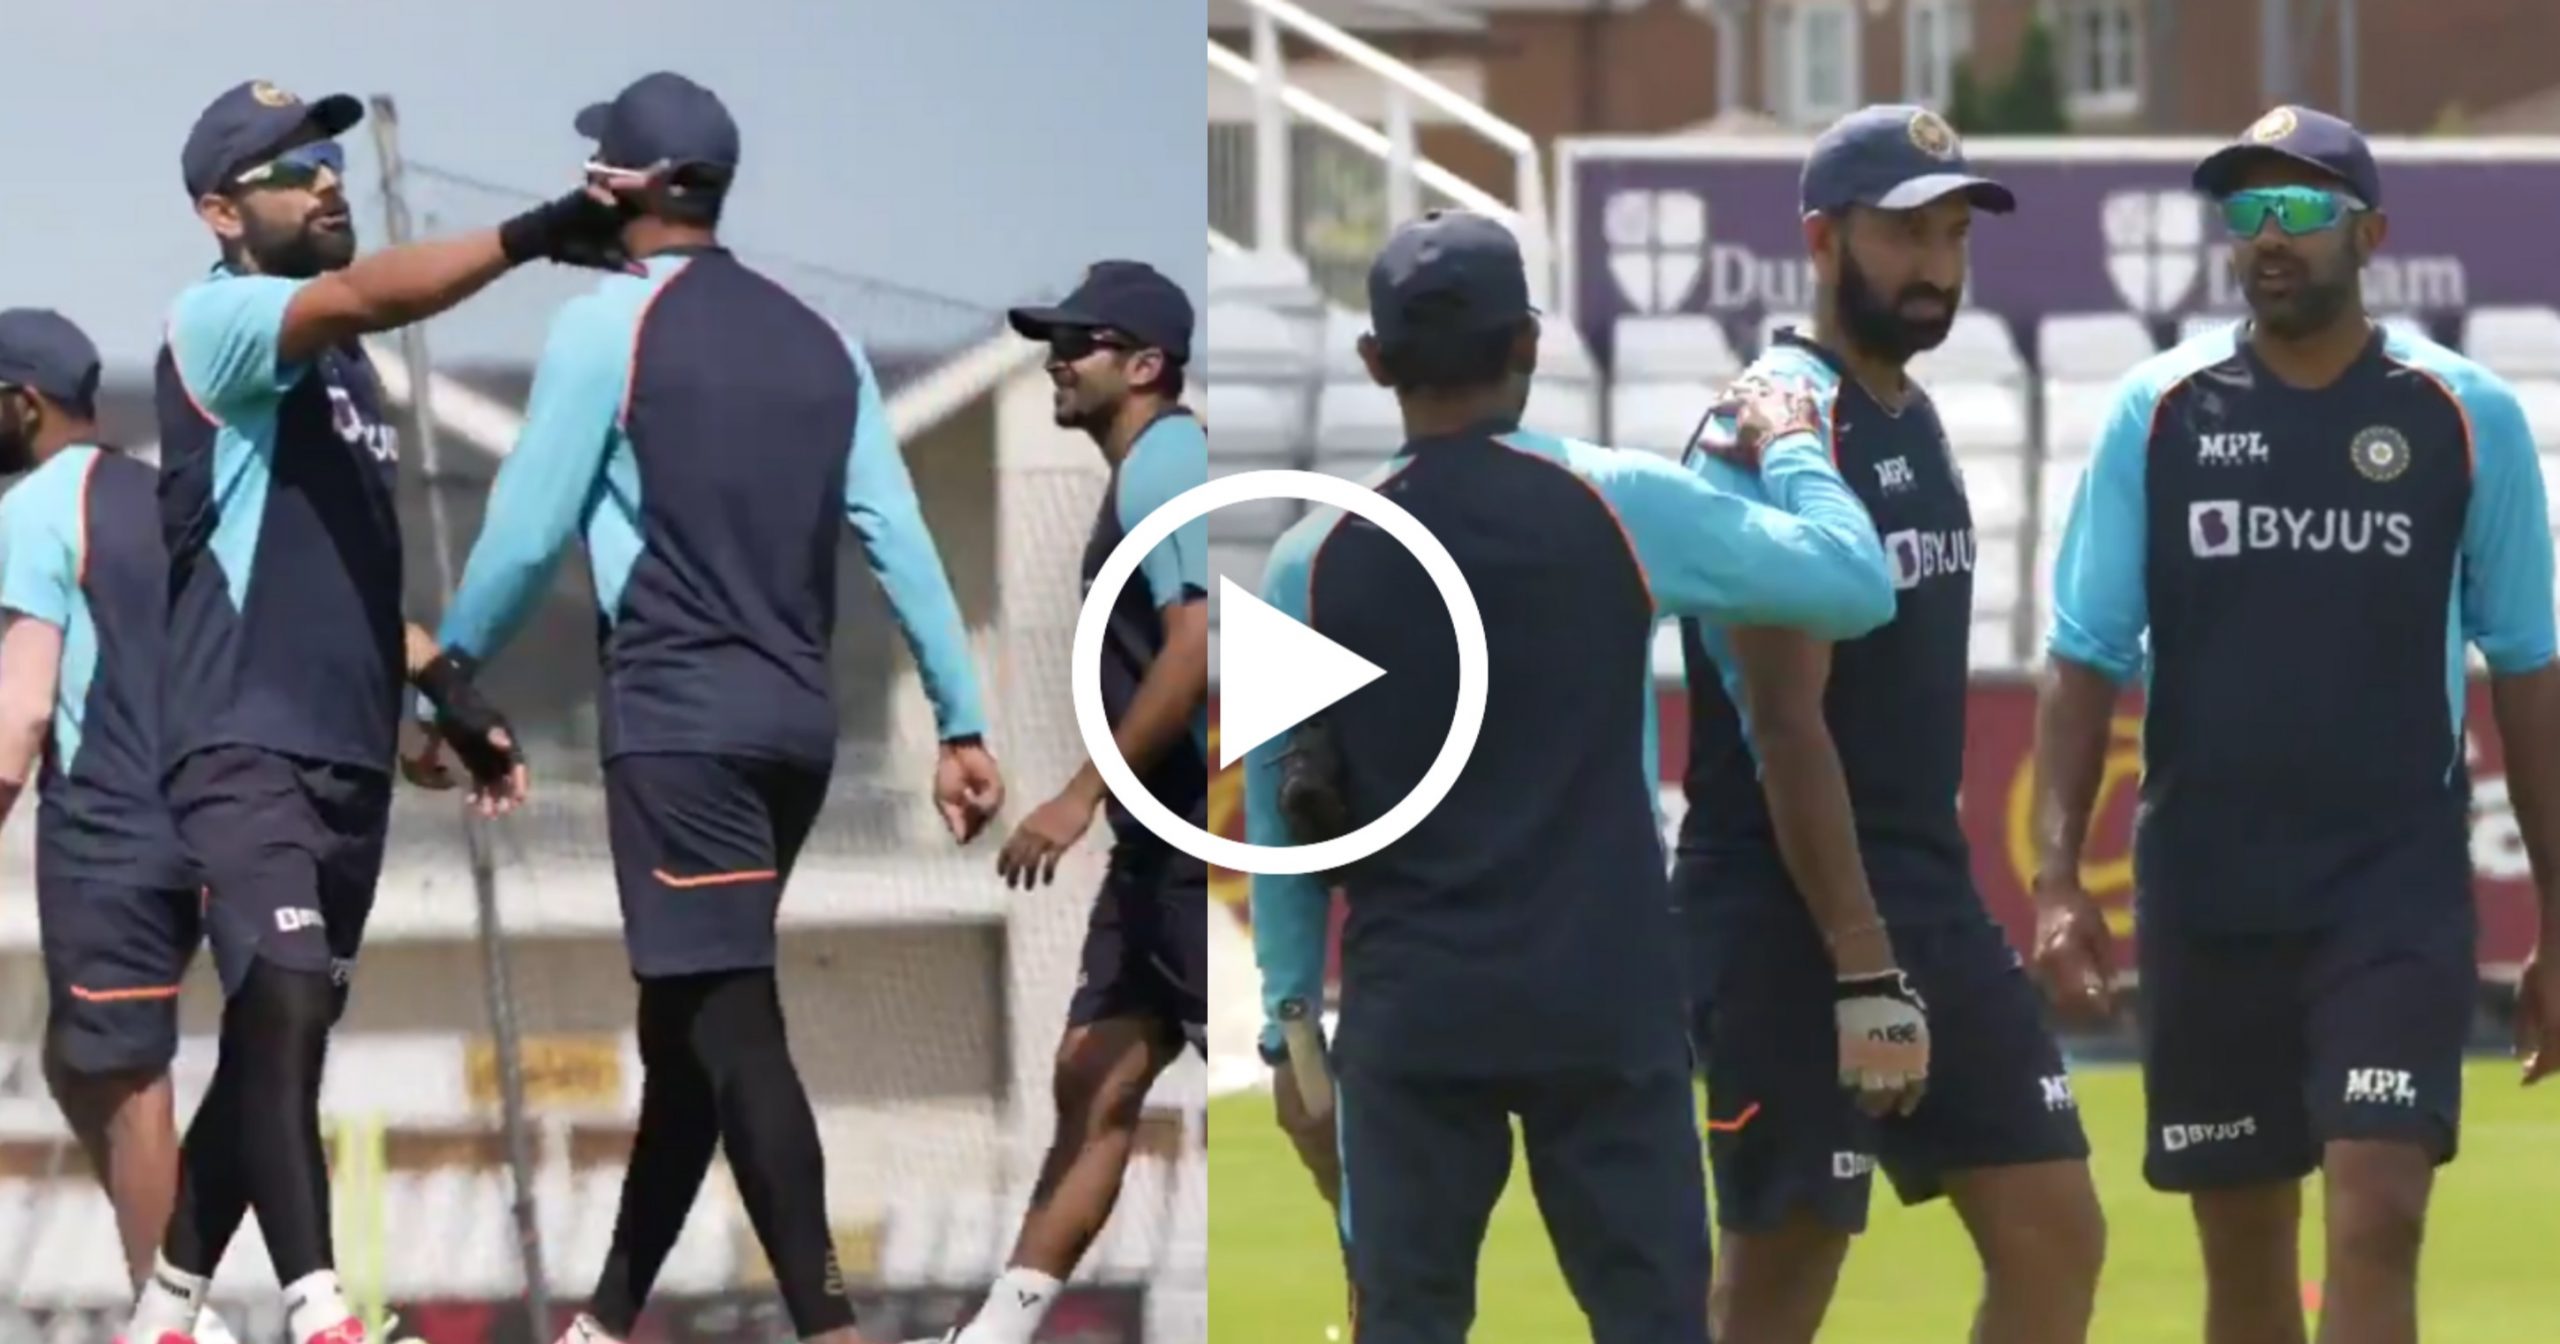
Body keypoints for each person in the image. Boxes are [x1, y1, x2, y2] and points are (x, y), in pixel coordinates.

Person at [412, 74, 1002, 1344]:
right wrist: (960, 723)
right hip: (793, 739)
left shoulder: (603, 329)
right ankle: (604, 1322)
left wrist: (446, 675)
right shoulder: (820, 341)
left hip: (680, 727)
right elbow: (897, 538)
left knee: (733, 1026)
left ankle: (832, 1328)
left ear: (619, 186)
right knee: (688, 1025)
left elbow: (523, 538)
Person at [1249, 208, 1900, 1344]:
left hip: (1415, 1016)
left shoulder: (1307, 559)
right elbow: (1854, 586)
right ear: (1530, 346)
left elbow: (1280, 827)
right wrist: (1791, 439)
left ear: (1374, 364)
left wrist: (1289, 1028)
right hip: (1603, 1002)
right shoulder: (1618, 504)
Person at [2035, 104, 2560, 1344]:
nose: (2269, 238)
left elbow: (2528, 667)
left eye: (2302, 210)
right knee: (2245, 1254)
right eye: (2246, 212)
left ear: (2368, 234)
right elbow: (2084, 653)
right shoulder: (2155, 414)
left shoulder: (2462, 414)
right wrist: (2058, 877)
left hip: (2393, 881)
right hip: (2208, 882)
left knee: (2379, 1210)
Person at [119, 79, 627, 1344]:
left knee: (270, 1047)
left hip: (341, 756)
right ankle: (322, 1313)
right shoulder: (227, 319)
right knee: (283, 1002)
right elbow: (361, 293)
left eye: (334, 155)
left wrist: (442, 689)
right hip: (241, 742)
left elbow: (346, 576)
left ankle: (163, 1317)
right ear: (222, 210)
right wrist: (535, 231)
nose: (329, 179)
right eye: (296, 167)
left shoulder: (347, 375)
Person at [1677, 105, 2104, 1344]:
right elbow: (1784, 726)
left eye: (1955, 233)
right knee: (1780, 1276)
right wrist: (1863, 968)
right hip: (1784, 906)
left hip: (1922, 888)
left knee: (2055, 1230)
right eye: (1906, 233)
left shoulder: (1905, 410)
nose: (1937, 266)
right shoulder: (1768, 425)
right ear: (1822, 238)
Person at [932, 260, 1209, 1344]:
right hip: (1157, 839)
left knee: (1296, 1089)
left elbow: (1192, 649)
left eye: (1078, 342)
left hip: (1201, 840)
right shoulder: (1140, 465)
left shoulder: (1170, 462)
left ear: (1144, 366)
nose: (1055, 358)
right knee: (1089, 1077)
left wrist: (1078, 794)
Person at [0, 310, 233, 1344]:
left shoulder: (37, 509)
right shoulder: (160, 494)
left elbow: (23, 711)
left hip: (110, 833)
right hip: (213, 821)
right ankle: (179, 1303)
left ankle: (173, 1318)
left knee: (131, 1083)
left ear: (22, 405)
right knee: (76, 1058)